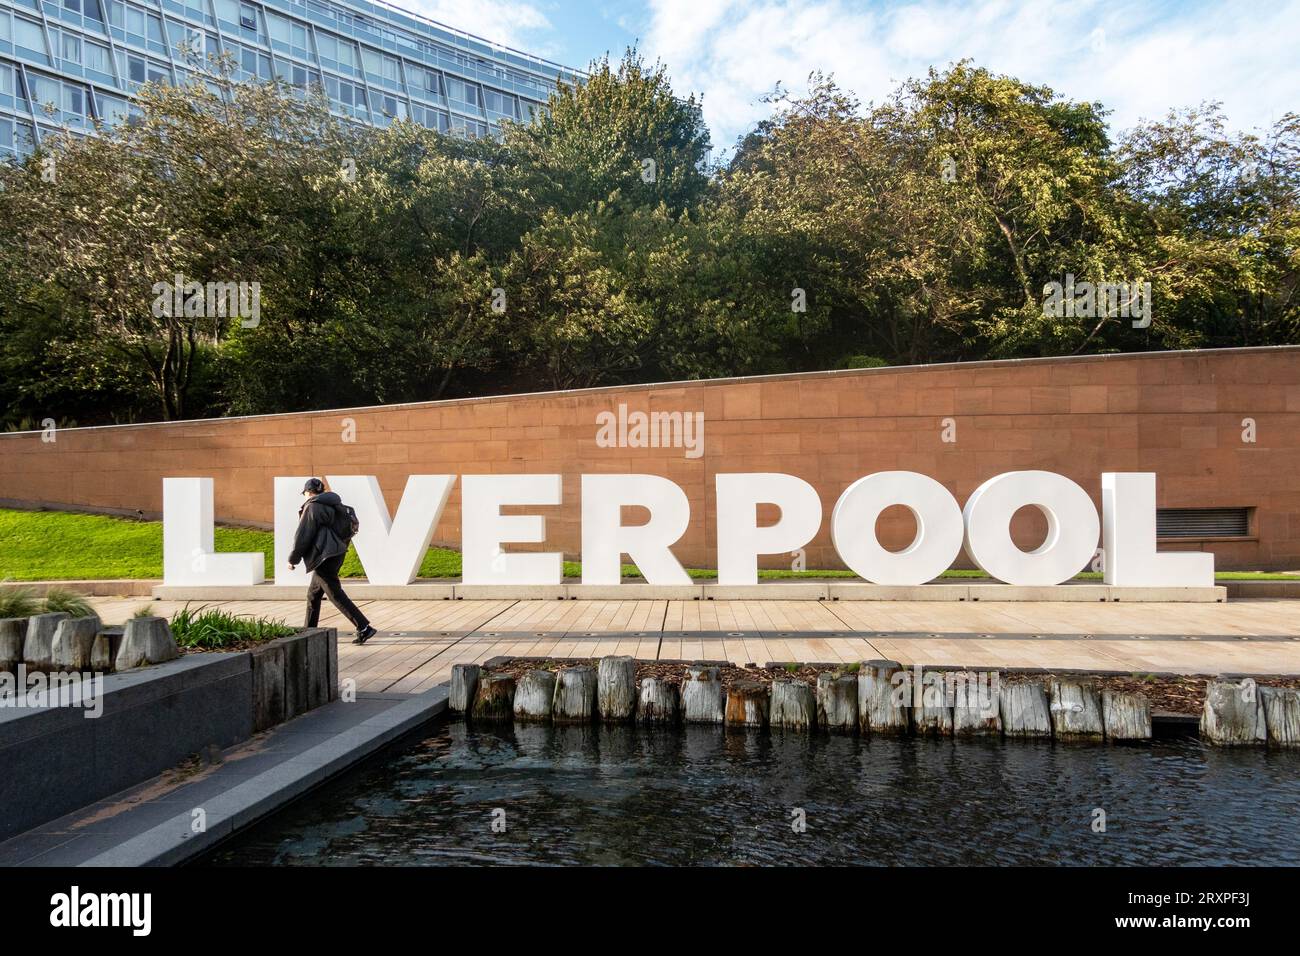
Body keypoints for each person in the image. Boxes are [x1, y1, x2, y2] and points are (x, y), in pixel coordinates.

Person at [288, 478, 377, 645]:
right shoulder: (333, 503)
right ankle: (309, 631)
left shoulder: (313, 506)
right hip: (336, 552)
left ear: (308, 492)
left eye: (305, 493)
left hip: (324, 556)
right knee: (313, 594)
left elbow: (303, 535)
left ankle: (364, 627)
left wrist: (293, 559)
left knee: (335, 593)